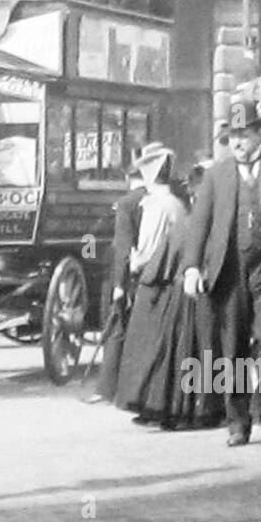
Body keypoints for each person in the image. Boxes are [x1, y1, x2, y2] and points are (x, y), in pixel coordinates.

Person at [181, 100, 261, 446]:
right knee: (232, 348)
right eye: (232, 136)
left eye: (243, 135)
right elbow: (200, 225)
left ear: (260, 136)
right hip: (228, 270)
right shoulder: (216, 176)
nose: (237, 142)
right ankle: (238, 422)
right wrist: (192, 267)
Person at [112, 146, 224, 430]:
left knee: (177, 351)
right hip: (192, 288)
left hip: (177, 287)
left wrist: (137, 271)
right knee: (193, 351)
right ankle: (197, 407)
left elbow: (161, 254)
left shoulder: (177, 213)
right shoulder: (185, 211)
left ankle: (176, 407)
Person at [86, 146, 154, 405]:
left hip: (126, 274)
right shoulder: (160, 199)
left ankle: (106, 389)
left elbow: (123, 248)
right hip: (153, 273)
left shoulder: (126, 203)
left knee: (116, 328)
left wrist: (118, 285)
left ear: (129, 178)